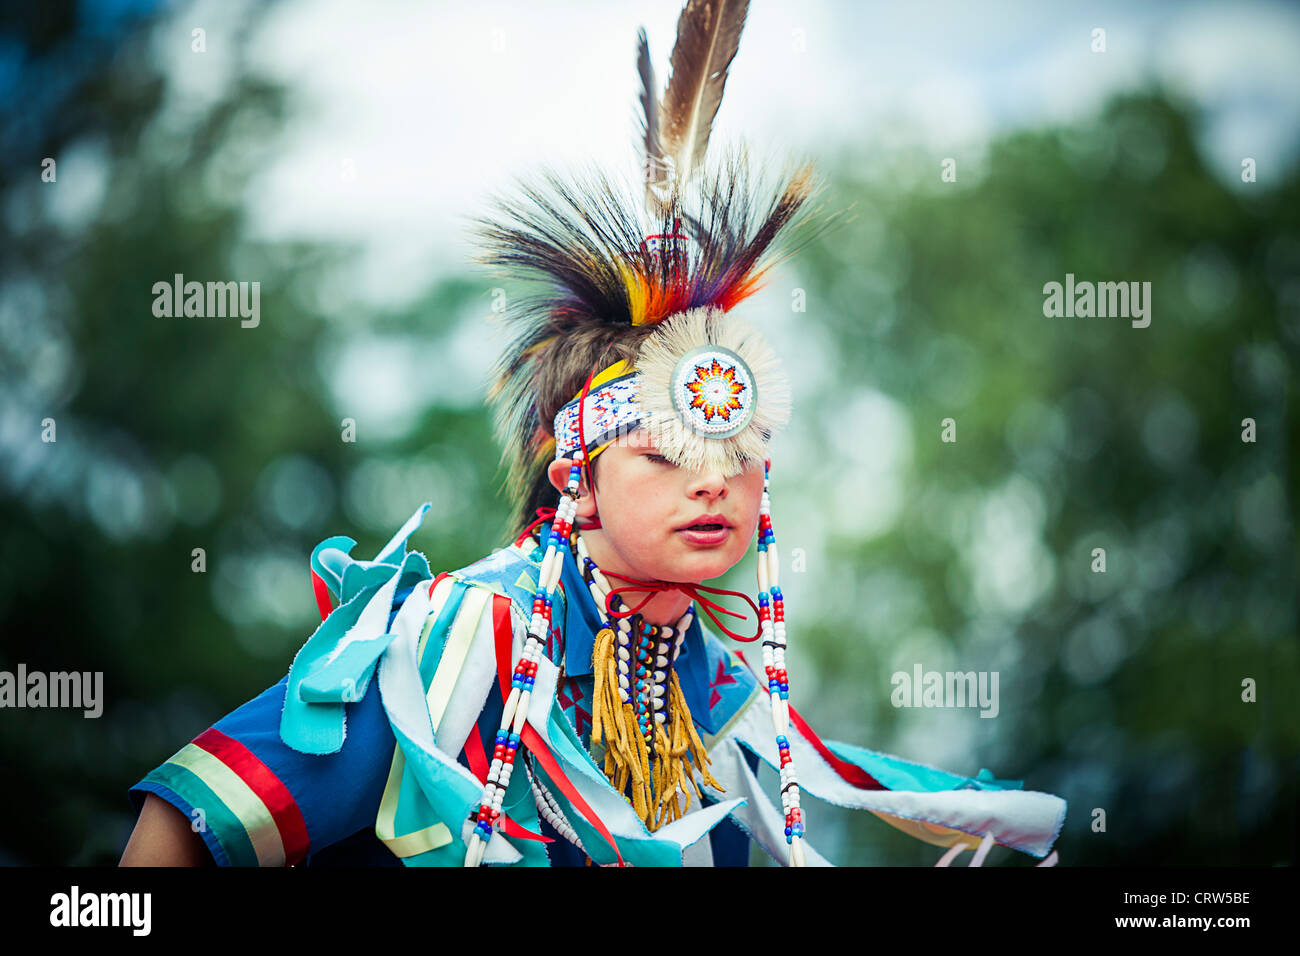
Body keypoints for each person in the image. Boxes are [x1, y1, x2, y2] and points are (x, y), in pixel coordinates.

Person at [121, 0, 1066, 868]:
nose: (713, 484)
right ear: (577, 466)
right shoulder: (456, 644)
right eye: (665, 455)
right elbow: (188, 826)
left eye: (740, 459)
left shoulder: (722, 704)